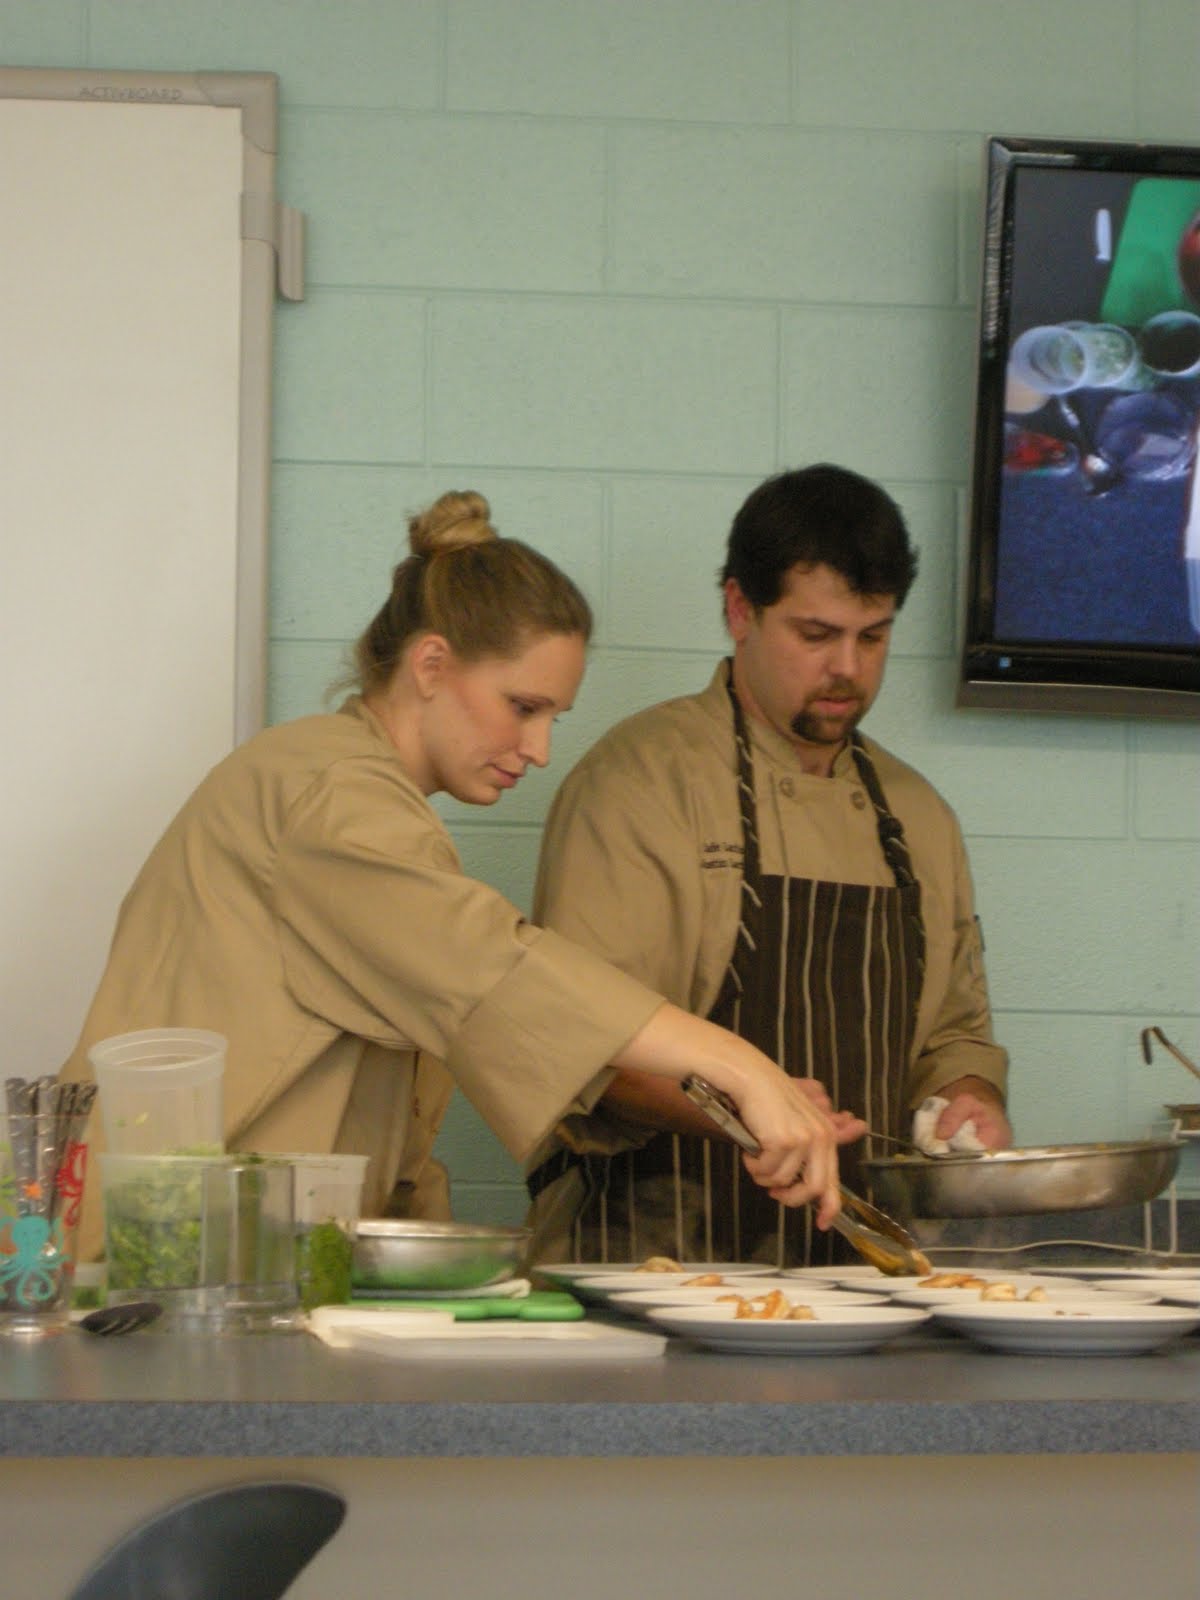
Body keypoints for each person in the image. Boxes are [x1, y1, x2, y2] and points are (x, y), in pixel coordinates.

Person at [60, 490, 848, 1262]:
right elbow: (492, 968)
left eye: (553, 719)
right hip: (150, 1267)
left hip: (233, 1260)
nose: (538, 749)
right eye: (524, 706)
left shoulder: (373, 802)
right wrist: (738, 1063)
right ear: (431, 663)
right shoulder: (329, 794)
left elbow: (400, 1108)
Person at [526, 464, 1012, 1266]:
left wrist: (969, 1101)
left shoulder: (917, 815)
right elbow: (579, 1043)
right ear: (738, 609)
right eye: (815, 636)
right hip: (657, 1260)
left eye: (874, 636)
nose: (848, 670)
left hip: (862, 1274)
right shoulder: (641, 783)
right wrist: (743, 1099)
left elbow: (955, 1031)